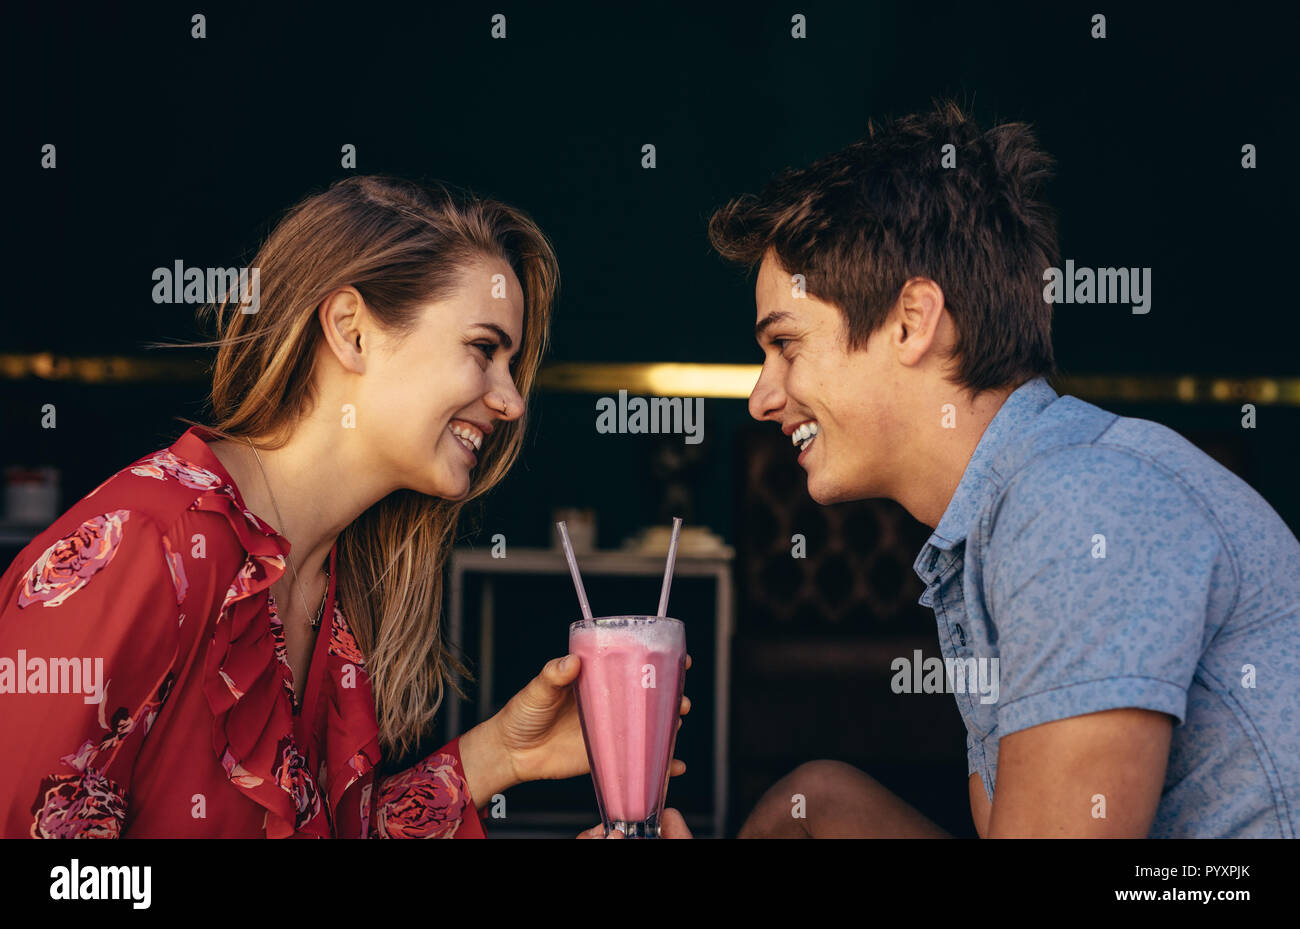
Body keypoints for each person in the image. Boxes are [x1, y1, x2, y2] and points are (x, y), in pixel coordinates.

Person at [0, 175, 687, 837]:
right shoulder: (141, 548)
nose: (512, 402)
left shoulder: (334, 594)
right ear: (352, 330)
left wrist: (501, 755)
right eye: (484, 349)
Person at [700, 101, 1299, 838]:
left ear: (913, 321)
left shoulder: (1078, 504)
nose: (763, 397)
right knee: (816, 807)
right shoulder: (1000, 516)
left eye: (785, 346)